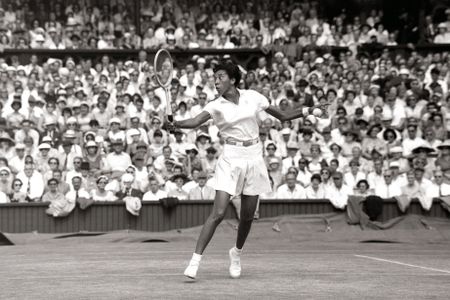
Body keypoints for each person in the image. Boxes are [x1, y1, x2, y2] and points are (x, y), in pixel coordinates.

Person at [168, 61, 311, 280]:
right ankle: (194, 261)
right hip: (230, 158)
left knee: (247, 216)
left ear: (233, 80)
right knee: (218, 213)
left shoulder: (253, 96)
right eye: (214, 77)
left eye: (221, 77)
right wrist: (175, 124)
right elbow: (195, 121)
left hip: (254, 157)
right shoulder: (215, 105)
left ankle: (236, 253)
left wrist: (308, 111)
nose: (216, 81)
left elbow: (282, 116)